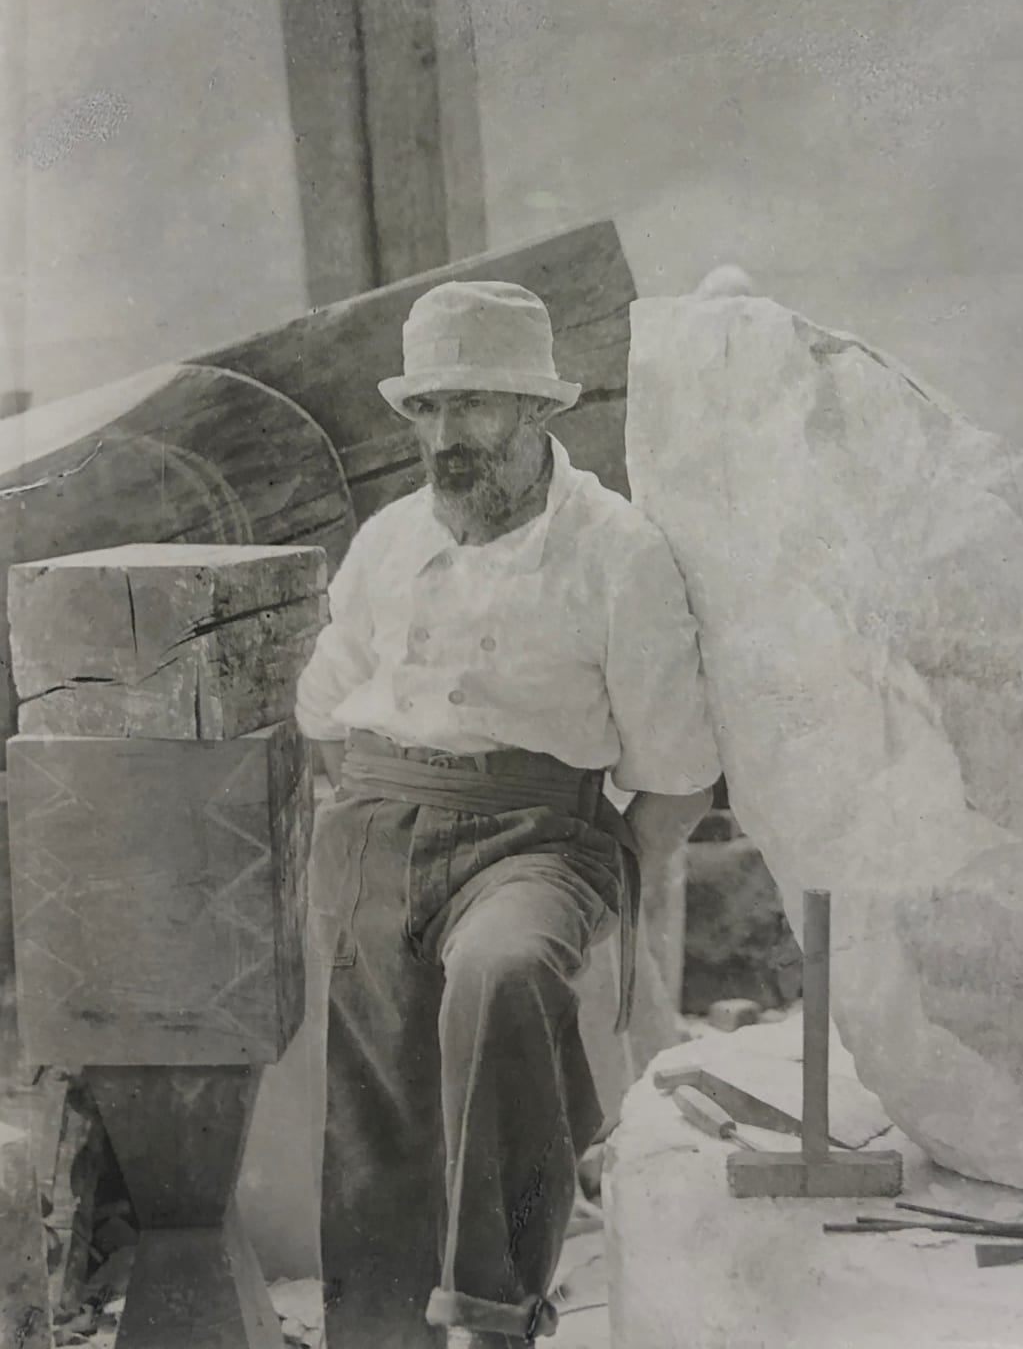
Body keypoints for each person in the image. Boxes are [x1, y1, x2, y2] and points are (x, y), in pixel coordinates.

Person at [296, 279, 720, 1349]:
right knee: (379, 1081)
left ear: (540, 412)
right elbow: (322, 704)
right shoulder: (390, 540)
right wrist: (365, 818)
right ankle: (381, 1334)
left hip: (541, 837)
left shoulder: (617, 552)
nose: (448, 436)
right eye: (428, 410)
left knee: (504, 972)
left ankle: (494, 1311)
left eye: (476, 406)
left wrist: (610, 901)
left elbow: (675, 777)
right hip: (383, 819)